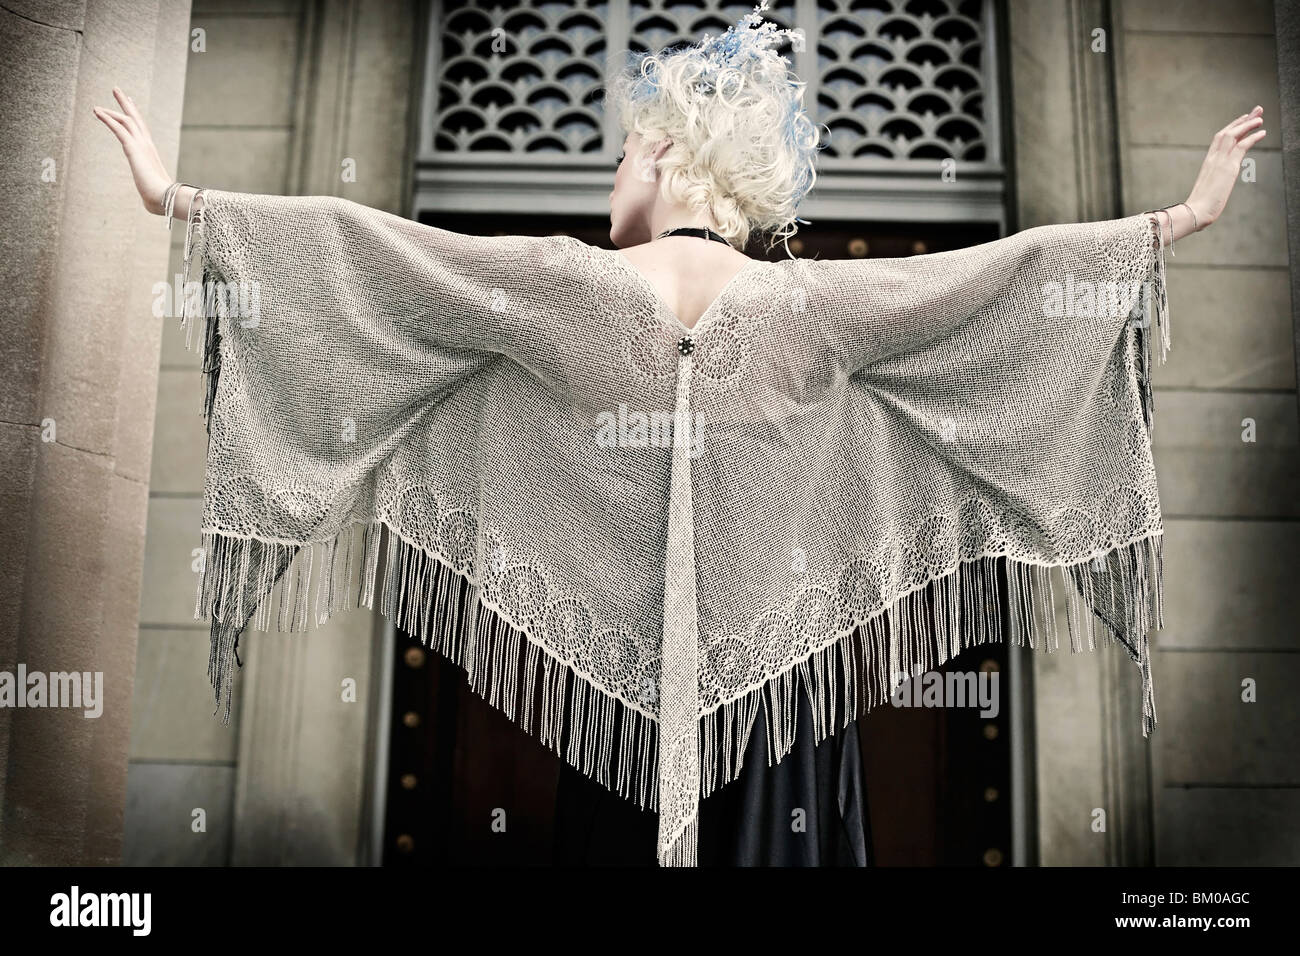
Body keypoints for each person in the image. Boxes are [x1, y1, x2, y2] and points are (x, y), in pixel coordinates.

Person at [95, 4, 1263, 868]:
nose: (609, 175)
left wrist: (184, 203)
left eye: (615, 151)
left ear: (660, 151)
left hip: (627, 725)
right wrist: (1176, 220)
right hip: (786, 724)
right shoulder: (816, 305)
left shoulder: (566, 284)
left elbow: (374, 255)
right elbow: (1000, 283)